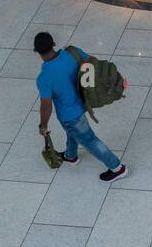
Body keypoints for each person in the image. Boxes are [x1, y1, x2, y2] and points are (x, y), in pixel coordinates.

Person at [34, 32, 127, 181]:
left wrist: (43, 125)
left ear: (36, 51)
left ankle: (117, 168)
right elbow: (92, 66)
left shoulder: (43, 78)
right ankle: (71, 156)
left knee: (90, 140)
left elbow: (46, 106)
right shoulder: (72, 52)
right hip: (84, 102)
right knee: (73, 132)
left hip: (69, 115)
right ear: (53, 44)